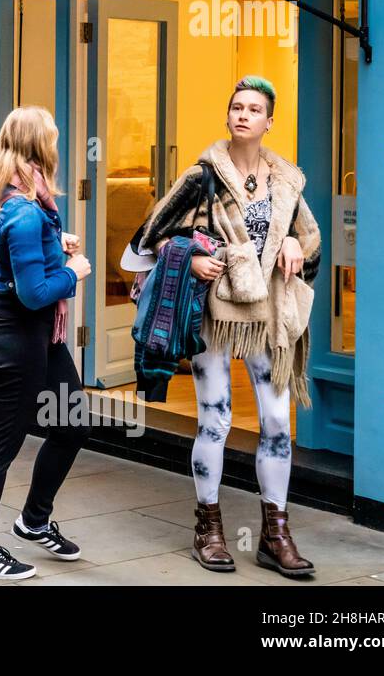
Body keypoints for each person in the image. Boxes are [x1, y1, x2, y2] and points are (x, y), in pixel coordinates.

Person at [137, 76, 320, 578]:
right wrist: (189, 257)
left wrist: (295, 246)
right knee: (215, 421)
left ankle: (275, 535)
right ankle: (208, 527)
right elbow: (147, 240)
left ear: (269, 121)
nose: (243, 114)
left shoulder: (287, 181)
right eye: (236, 106)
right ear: (228, 116)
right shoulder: (202, 177)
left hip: (269, 318)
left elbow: (312, 242)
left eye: (254, 108)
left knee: (278, 424)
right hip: (214, 317)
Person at [0, 106, 93, 581]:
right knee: (1, 445)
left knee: (73, 425)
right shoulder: (21, 211)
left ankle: (33, 520)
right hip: (17, 337)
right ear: (39, 147)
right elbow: (34, 292)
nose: (57, 146)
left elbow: (24, 256)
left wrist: (56, 243)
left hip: (44, 339)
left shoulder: (24, 201)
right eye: (53, 139)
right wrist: (72, 271)